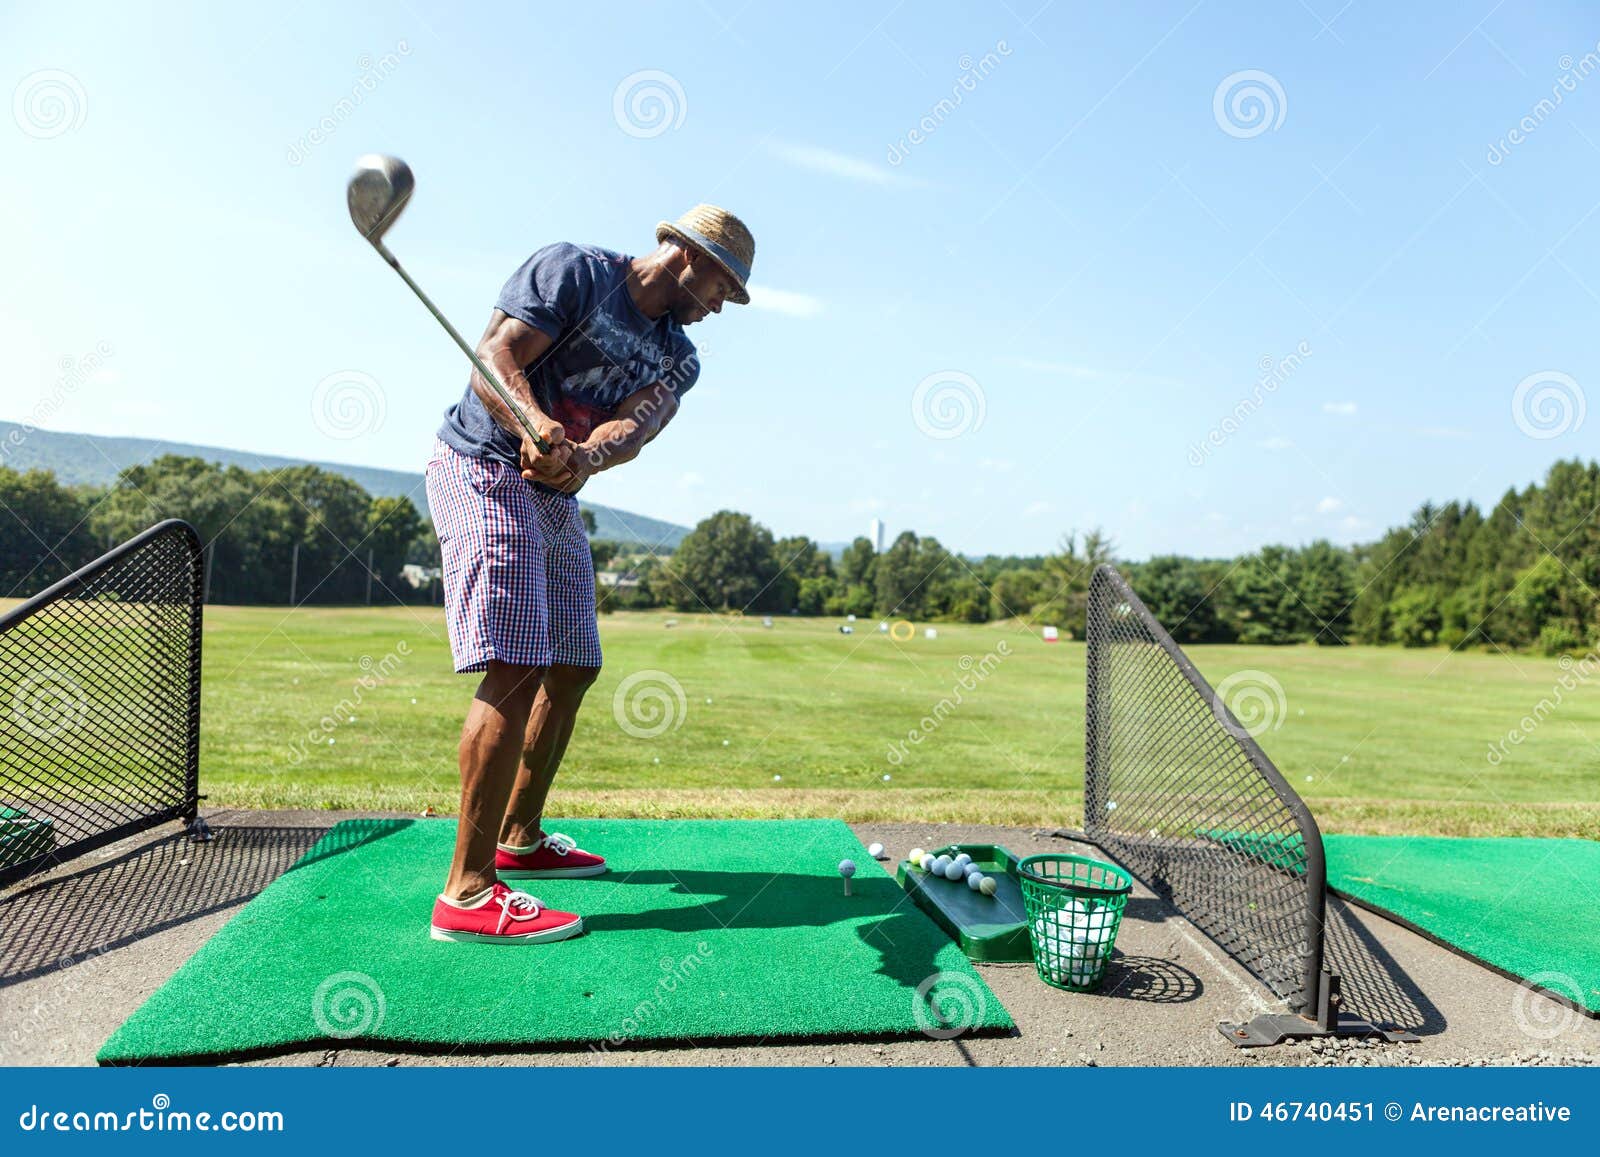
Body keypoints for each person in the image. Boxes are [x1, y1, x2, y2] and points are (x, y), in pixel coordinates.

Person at [423, 205, 755, 943]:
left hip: (553, 489)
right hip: (482, 464)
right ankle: (469, 890)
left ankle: (519, 835)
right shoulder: (572, 270)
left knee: (573, 663)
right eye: (722, 290)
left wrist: (584, 457)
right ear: (687, 257)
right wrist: (534, 426)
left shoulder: (681, 357)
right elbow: (496, 358)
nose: (718, 309)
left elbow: (635, 425)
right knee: (515, 662)